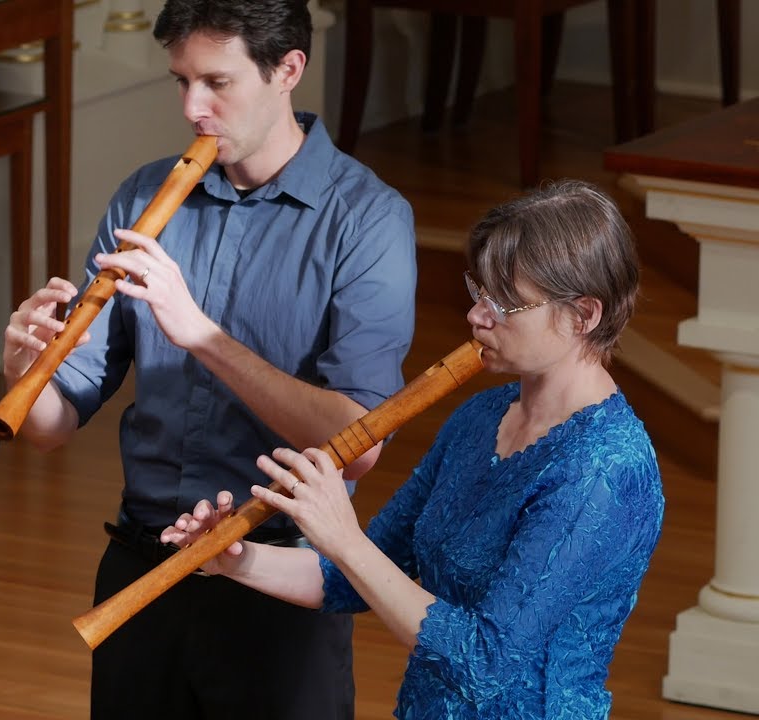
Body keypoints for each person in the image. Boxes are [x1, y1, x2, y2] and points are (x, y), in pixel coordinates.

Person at [1, 0, 416, 716]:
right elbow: (51, 425)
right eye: (180, 81)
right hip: (143, 560)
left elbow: (357, 449)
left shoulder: (369, 220)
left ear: (288, 69)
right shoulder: (143, 195)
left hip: (278, 576)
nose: (194, 107)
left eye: (217, 83)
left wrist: (199, 333)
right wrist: (24, 369)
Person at [162, 180, 665, 719]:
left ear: (584, 316)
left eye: (507, 304)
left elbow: (487, 663)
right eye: (480, 293)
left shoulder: (605, 469)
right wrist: (235, 560)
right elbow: (350, 580)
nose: (478, 316)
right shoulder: (480, 416)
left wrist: (345, 540)